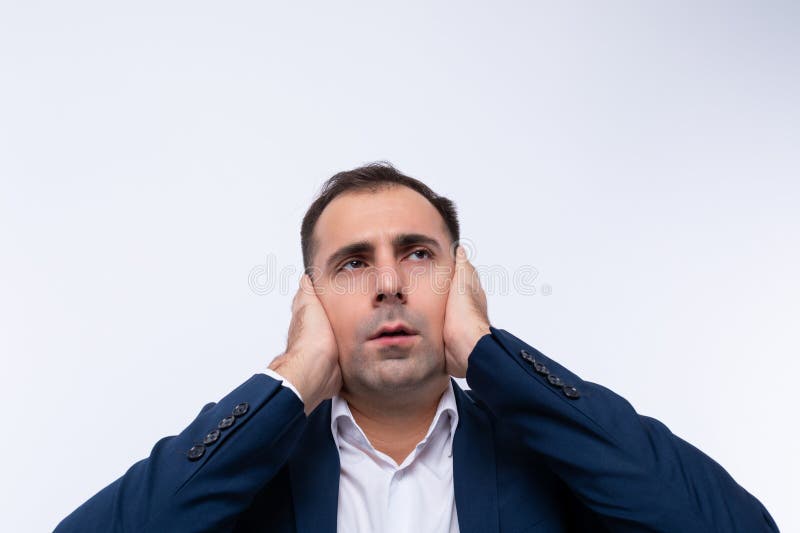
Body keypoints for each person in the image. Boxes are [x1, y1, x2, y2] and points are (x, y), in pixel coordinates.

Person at [55, 163, 779, 532]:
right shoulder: (252, 468)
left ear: (460, 279)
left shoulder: (552, 455)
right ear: (309, 299)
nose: (391, 284)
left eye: (419, 255)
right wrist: (287, 382)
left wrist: (490, 353)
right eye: (353, 263)